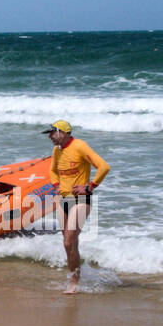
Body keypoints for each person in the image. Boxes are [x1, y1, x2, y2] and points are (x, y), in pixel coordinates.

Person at [45, 119, 109, 294]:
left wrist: (89, 187)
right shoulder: (57, 150)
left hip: (81, 200)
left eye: (52, 133)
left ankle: (74, 282)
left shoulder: (80, 146)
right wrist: (56, 186)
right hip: (63, 200)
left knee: (69, 240)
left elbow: (103, 166)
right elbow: (52, 170)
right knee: (69, 244)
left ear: (63, 133)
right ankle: (76, 275)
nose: (50, 136)